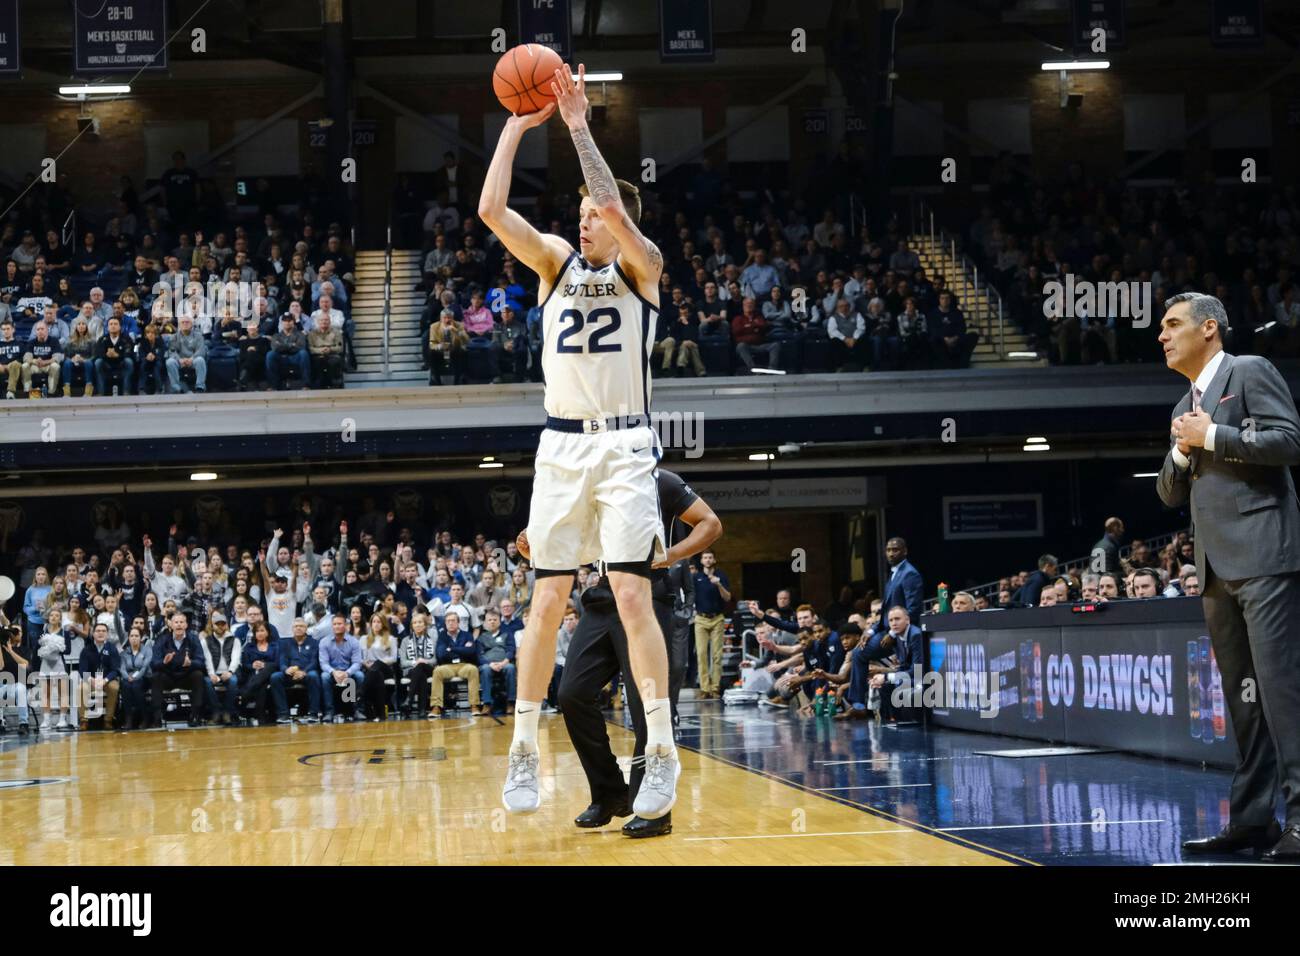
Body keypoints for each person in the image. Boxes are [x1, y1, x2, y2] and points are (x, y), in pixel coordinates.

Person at [478, 63, 677, 818]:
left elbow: (610, 205)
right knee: (546, 600)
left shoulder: (642, 268)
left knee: (631, 592)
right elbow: (492, 207)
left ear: (616, 218)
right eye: (583, 214)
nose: (583, 218)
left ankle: (660, 752)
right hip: (560, 448)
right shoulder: (555, 263)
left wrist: (578, 126)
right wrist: (517, 125)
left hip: (626, 445)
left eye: (595, 214)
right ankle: (524, 747)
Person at [1157, 291, 1300, 862]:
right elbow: (1167, 491)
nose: (1162, 336)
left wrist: (1212, 437)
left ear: (1209, 328)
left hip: (1266, 557)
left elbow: (1289, 441)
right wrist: (1185, 453)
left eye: (1171, 325)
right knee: (1245, 701)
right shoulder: (1183, 403)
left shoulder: (1248, 371)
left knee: (1283, 695)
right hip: (1217, 572)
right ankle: (1254, 820)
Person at [555, 468, 722, 837]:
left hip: (648, 595)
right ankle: (611, 794)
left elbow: (710, 524)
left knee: (647, 705)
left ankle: (656, 809)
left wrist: (671, 555)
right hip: (601, 597)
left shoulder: (660, 480)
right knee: (571, 694)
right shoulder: (590, 482)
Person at [150, 611, 208, 728]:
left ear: (186, 625)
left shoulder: (193, 639)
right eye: (176, 622)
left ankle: (195, 715)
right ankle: (157, 717)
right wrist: (164, 662)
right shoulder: (162, 639)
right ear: (171, 624)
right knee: (156, 676)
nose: (179, 625)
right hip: (168, 676)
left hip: (186, 676)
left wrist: (191, 663)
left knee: (198, 675)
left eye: (182, 622)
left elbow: (201, 661)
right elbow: (154, 664)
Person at [429, 610, 483, 717]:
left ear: (458, 623)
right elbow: (440, 654)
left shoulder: (467, 635)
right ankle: (436, 706)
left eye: (453, 620)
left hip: (464, 665)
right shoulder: (442, 636)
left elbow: (471, 651)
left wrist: (451, 649)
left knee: (473, 670)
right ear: (445, 623)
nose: (450, 623)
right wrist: (462, 649)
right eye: (448, 621)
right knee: (437, 671)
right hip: (447, 666)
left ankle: (474, 705)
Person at [692, 550, 731, 699]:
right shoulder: (696, 577)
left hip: (717, 618)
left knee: (717, 655)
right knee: (701, 654)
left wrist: (719, 584)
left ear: (714, 560)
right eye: (705, 558)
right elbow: (690, 595)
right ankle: (704, 688)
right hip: (701, 619)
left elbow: (727, 598)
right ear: (701, 561)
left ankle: (715, 688)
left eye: (710, 557)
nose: (708, 560)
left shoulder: (721, 575)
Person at [272, 618, 323, 723]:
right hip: (290, 674)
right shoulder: (285, 643)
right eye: (296, 626)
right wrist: (286, 669)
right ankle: (283, 714)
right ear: (292, 629)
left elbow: (314, 661)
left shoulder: (314, 643)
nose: (298, 628)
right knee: (275, 677)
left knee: (314, 675)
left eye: (301, 626)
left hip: (307, 673)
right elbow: (282, 660)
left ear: (306, 628)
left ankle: (313, 713)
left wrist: (304, 672)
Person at [319, 613, 363, 722]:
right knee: (324, 677)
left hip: (348, 670)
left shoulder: (354, 642)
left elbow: (357, 663)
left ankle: (358, 710)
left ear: (346, 625)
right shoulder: (324, 642)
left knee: (360, 675)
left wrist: (347, 673)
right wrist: (334, 672)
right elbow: (323, 663)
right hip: (332, 672)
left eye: (339, 624)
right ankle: (329, 711)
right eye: (334, 624)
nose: (337, 626)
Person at [202, 611, 242, 724]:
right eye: (217, 624)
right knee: (206, 682)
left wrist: (230, 672)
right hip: (213, 672)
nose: (220, 626)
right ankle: (216, 711)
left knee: (233, 681)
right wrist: (211, 674)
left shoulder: (235, 640)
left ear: (226, 625)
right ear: (212, 625)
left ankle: (227, 711)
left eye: (222, 624)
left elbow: (236, 658)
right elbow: (207, 658)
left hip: (230, 672)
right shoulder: (206, 641)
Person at [118, 626, 152, 730]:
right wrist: (127, 677)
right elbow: (122, 668)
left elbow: (144, 667)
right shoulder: (124, 652)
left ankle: (145, 717)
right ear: (128, 638)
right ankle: (129, 718)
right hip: (128, 678)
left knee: (136, 686)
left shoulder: (147, 650)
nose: (134, 638)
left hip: (145, 678)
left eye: (136, 636)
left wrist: (134, 677)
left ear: (141, 638)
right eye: (131, 636)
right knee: (125, 685)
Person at [0, 625, 32, 735]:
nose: (14, 633)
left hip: (19, 685)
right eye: (11, 631)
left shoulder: (25, 649)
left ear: (21, 634)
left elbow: (25, 664)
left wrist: (11, 651)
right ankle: (1, 723)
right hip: (3, 685)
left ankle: (24, 723)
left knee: (20, 688)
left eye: (17, 631)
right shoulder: (1, 650)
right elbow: (1, 667)